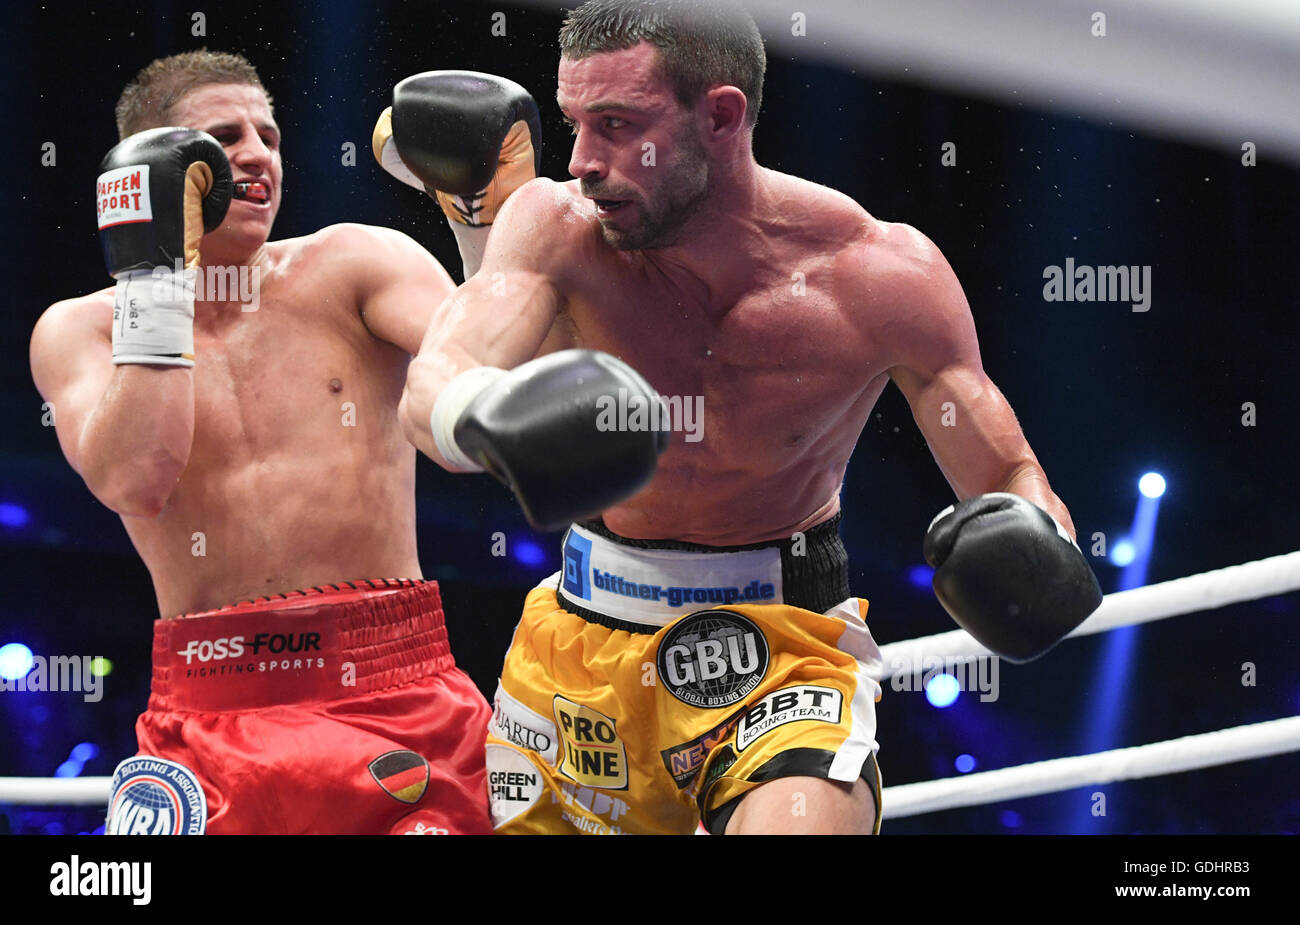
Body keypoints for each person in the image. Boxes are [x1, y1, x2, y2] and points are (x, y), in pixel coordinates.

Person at [396, 0, 1102, 835]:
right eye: (576, 123)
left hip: (780, 651)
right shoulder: (557, 227)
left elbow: (1008, 476)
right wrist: (488, 410)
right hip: (581, 643)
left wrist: (1039, 540)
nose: (582, 161)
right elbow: (437, 377)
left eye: (619, 125)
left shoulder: (879, 277)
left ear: (723, 115)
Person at [29, 49, 504, 835]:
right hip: (211, 713)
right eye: (223, 136)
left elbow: (495, 375)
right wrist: (156, 279)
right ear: (154, 168)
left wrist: (486, 220)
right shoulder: (81, 328)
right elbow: (139, 476)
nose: (256, 153)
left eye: (270, 135)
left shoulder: (356, 263)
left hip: (397, 695)